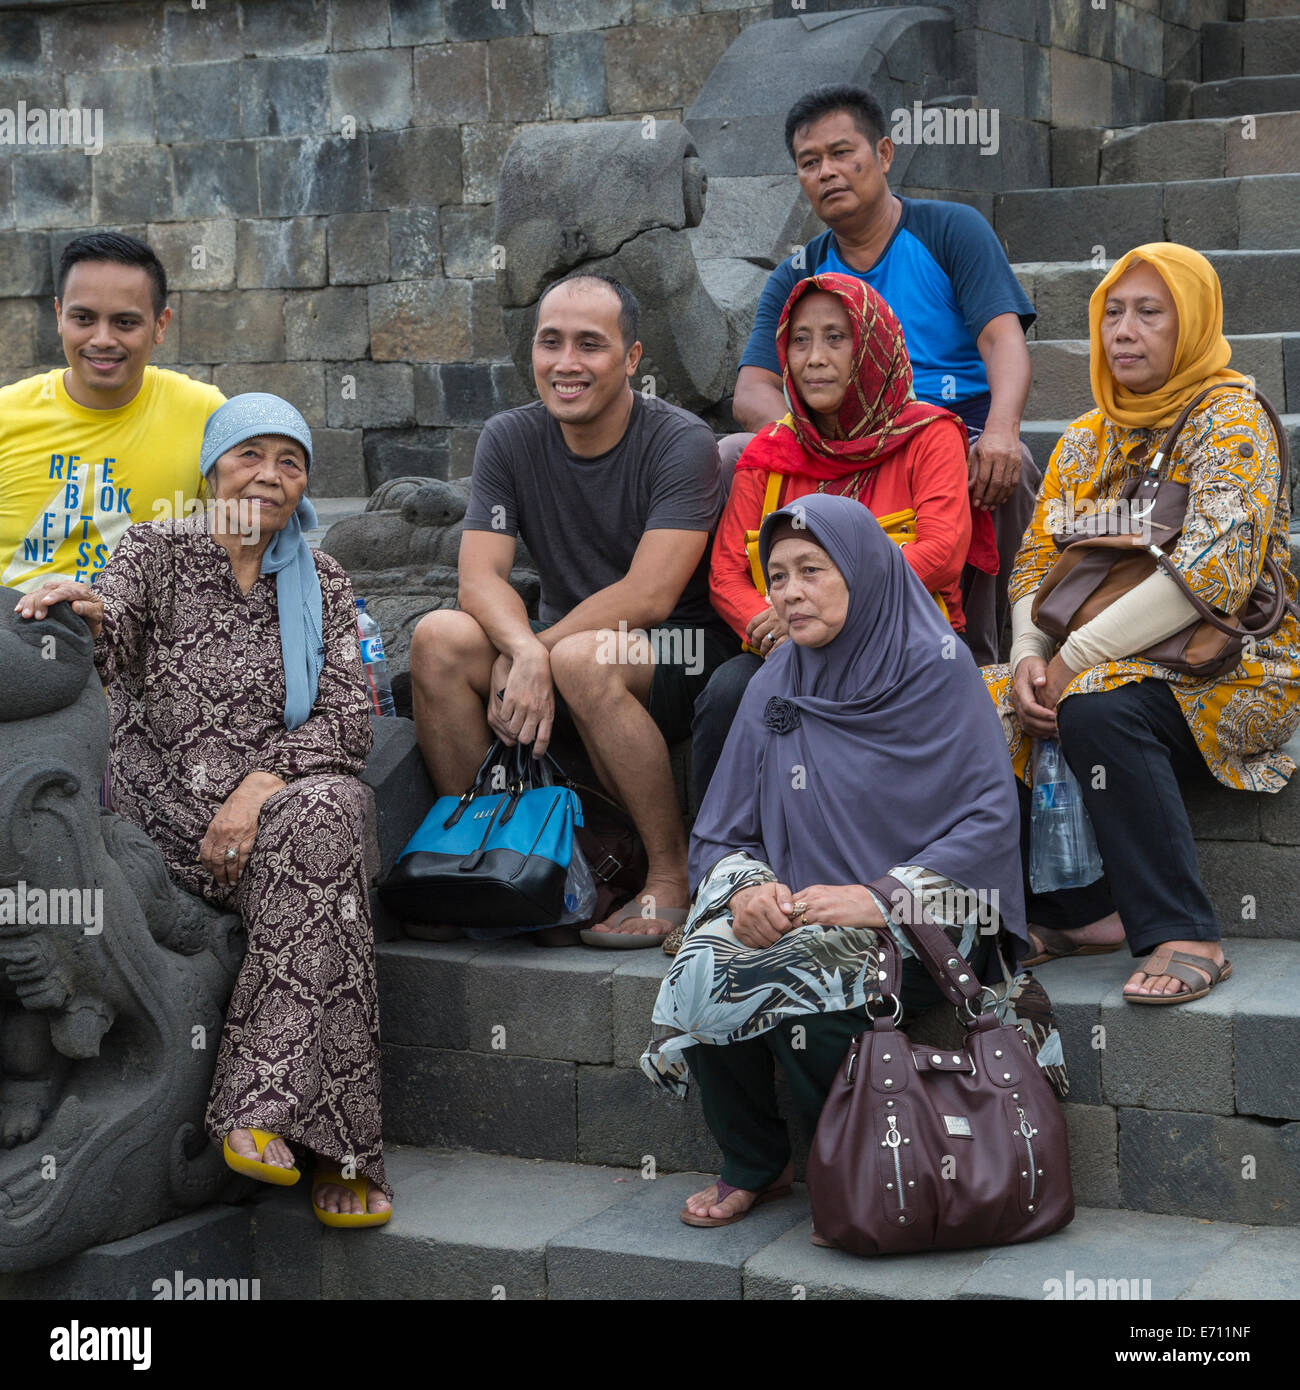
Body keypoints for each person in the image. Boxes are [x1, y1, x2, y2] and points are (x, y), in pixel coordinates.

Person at [14, 394, 393, 1226]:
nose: (270, 476)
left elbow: (344, 718)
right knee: (328, 885)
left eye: (290, 462)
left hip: (279, 820)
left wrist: (258, 792)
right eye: (250, 455)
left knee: (327, 813)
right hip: (166, 823)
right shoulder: (158, 551)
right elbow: (104, 629)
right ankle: (342, 1149)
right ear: (213, 467)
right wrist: (72, 603)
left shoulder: (321, 577)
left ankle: (257, 1109)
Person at [642, 494, 1065, 1230]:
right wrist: (749, 890)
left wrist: (880, 898)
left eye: (812, 569)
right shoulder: (776, 681)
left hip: (933, 914)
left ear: (864, 570)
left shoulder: (936, 668)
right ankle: (756, 1162)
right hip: (805, 909)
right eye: (776, 576)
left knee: (812, 986)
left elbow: (988, 820)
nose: (790, 592)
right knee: (709, 957)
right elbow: (721, 832)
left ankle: (859, 1160)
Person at [984, 242, 1300, 1004]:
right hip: (1102, 660)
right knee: (980, 697)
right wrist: (1030, 656)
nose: (1123, 331)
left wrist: (1070, 665)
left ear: (1190, 323)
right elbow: (1034, 565)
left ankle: (1185, 932)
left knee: (1098, 705)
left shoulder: (1231, 420)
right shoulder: (1088, 434)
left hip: (1236, 666)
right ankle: (1074, 912)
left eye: (1149, 313)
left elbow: (1209, 578)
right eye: (1112, 313)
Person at [409, 272, 733, 948]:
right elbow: (480, 577)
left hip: (679, 649)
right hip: (561, 643)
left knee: (585, 658)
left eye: (591, 345)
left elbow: (649, 595)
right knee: (438, 638)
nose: (566, 364)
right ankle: (498, 860)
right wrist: (524, 651)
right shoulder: (510, 437)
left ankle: (670, 875)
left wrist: (543, 651)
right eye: (550, 342)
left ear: (632, 359)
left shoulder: (680, 442)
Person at [730, 85, 1039, 667]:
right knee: (728, 455)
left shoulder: (952, 230)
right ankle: (764, 629)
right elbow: (751, 389)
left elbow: (1003, 338)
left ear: (885, 154)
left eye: (844, 153)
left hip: (950, 428)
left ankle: (985, 653)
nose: (828, 172)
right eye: (809, 162)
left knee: (1012, 464)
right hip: (835, 436)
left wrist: (1002, 427)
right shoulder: (798, 273)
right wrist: (816, 446)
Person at [693, 270, 991, 804]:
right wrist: (780, 626)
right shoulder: (770, 451)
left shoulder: (928, 435)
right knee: (728, 692)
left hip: (904, 642)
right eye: (799, 340)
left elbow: (942, 553)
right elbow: (725, 574)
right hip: (790, 643)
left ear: (872, 347)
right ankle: (720, 867)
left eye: (836, 337)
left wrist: (837, 612)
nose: (813, 358)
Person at [0, 231, 224, 592]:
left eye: (125, 323)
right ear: (59, 316)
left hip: (150, 639)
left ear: (160, 325)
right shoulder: (5, 415)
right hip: (17, 634)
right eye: (83, 318)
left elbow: (243, 545)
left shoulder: (205, 413)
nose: (102, 339)